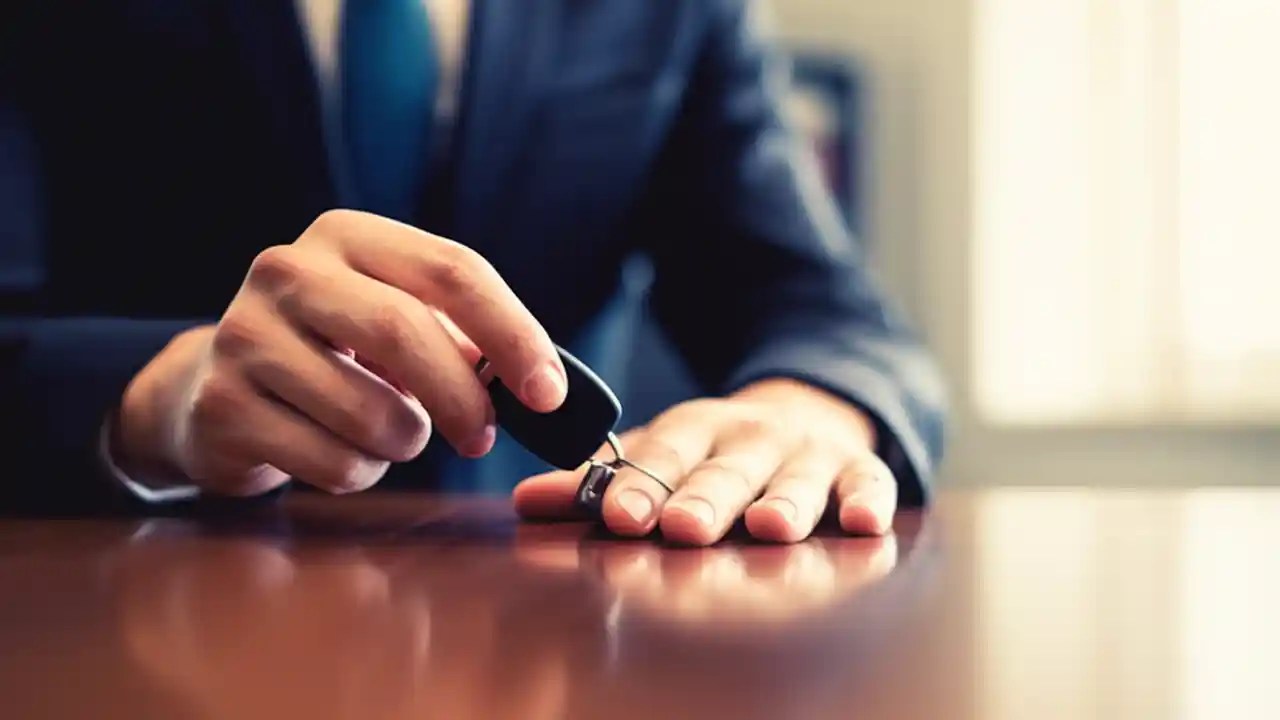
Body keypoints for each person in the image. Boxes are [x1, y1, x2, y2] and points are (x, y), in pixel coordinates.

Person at [0, 0, 946, 545]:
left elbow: (826, 311)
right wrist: (159, 399)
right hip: (132, 599)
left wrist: (804, 414)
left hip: (551, 607)